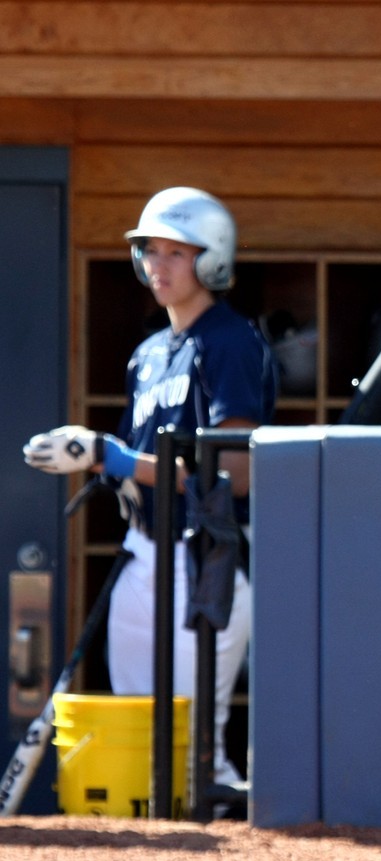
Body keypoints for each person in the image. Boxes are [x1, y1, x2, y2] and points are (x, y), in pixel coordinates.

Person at [23, 187, 278, 789]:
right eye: (150, 252)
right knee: (140, 730)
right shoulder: (147, 355)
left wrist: (112, 457)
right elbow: (136, 465)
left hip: (206, 557)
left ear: (211, 259)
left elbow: (234, 470)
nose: (158, 266)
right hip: (145, 555)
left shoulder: (231, 342)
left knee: (193, 750)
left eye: (177, 253)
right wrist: (97, 461)